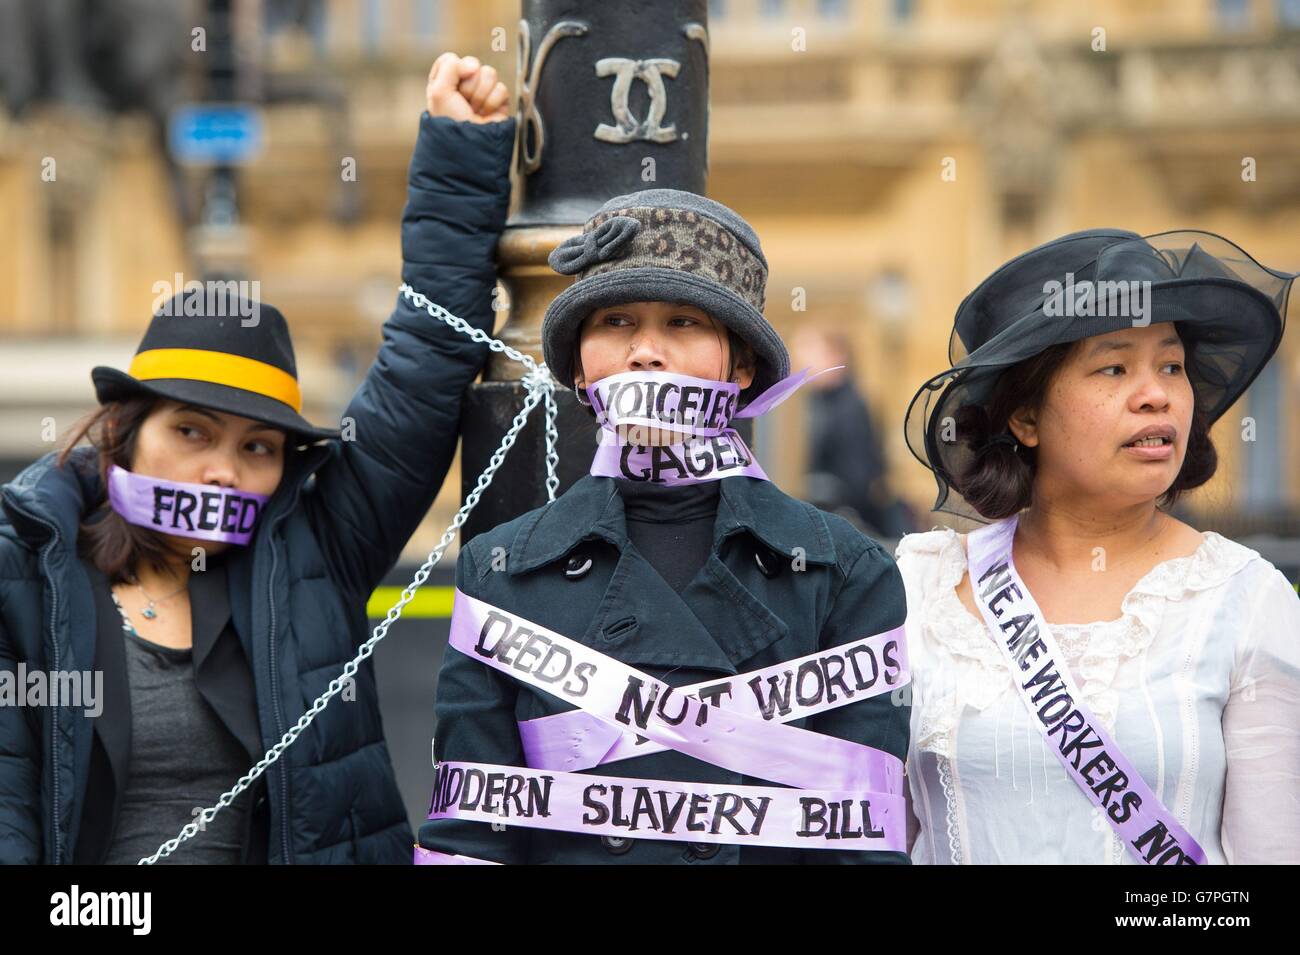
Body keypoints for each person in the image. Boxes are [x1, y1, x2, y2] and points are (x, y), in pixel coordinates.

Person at [0, 52, 512, 864]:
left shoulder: (314, 545)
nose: (224, 471)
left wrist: (459, 152)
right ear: (124, 431)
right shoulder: (24, 570)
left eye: (259, 447)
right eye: (192, 432)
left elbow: (423, 366)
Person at [415, 189, 913, 864]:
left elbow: (861, 842)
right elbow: (470, 838)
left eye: (683, 322)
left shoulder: (845, 573)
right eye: (616, 320)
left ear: (740, 367)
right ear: (581, 365)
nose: (646, 351)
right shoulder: (500, 569)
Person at [895, 228, 1300, 864]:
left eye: (1171, 366)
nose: (1157, 394)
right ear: (1024, 417)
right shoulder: (921, 590)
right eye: (1114, 368)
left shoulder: (1242, 600)